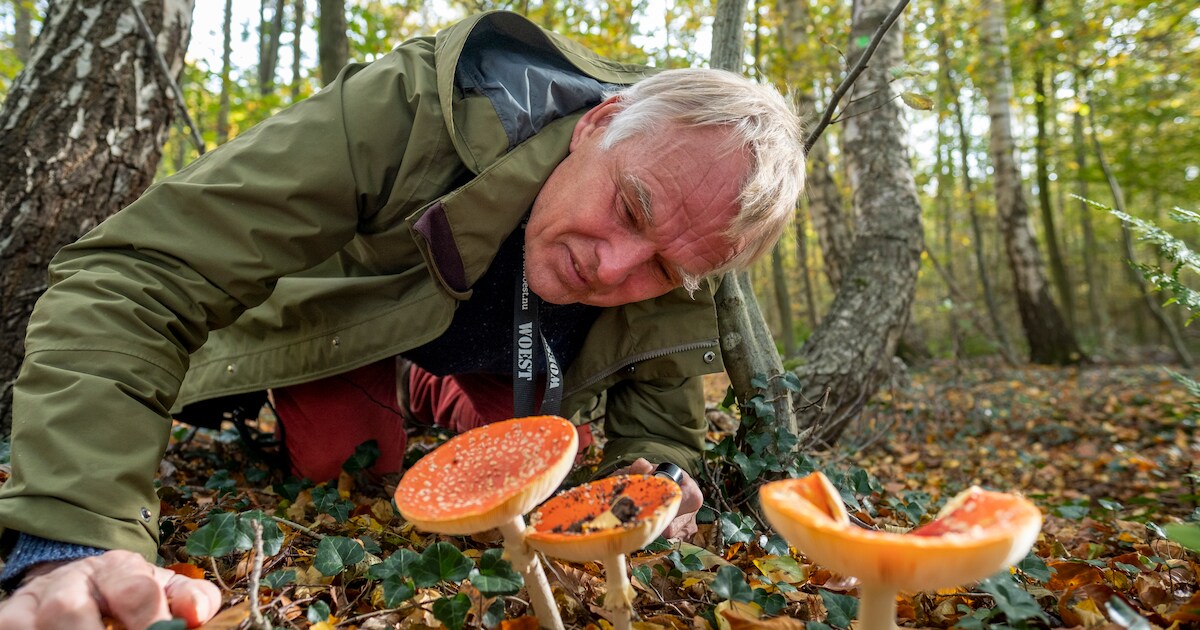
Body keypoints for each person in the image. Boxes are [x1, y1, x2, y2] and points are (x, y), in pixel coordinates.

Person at [0, 10, 804, 628]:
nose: (616, 267)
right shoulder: (424, 109)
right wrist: (76, 535)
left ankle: (437, 393)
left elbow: (659, 410)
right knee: (338, 461)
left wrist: (658, 477)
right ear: (598, 123)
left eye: (663, 268)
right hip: (351, 326)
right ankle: (403, 380)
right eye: (628, 208)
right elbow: (143, 268)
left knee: (517, 482)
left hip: (503, 364)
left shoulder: (694, 239)